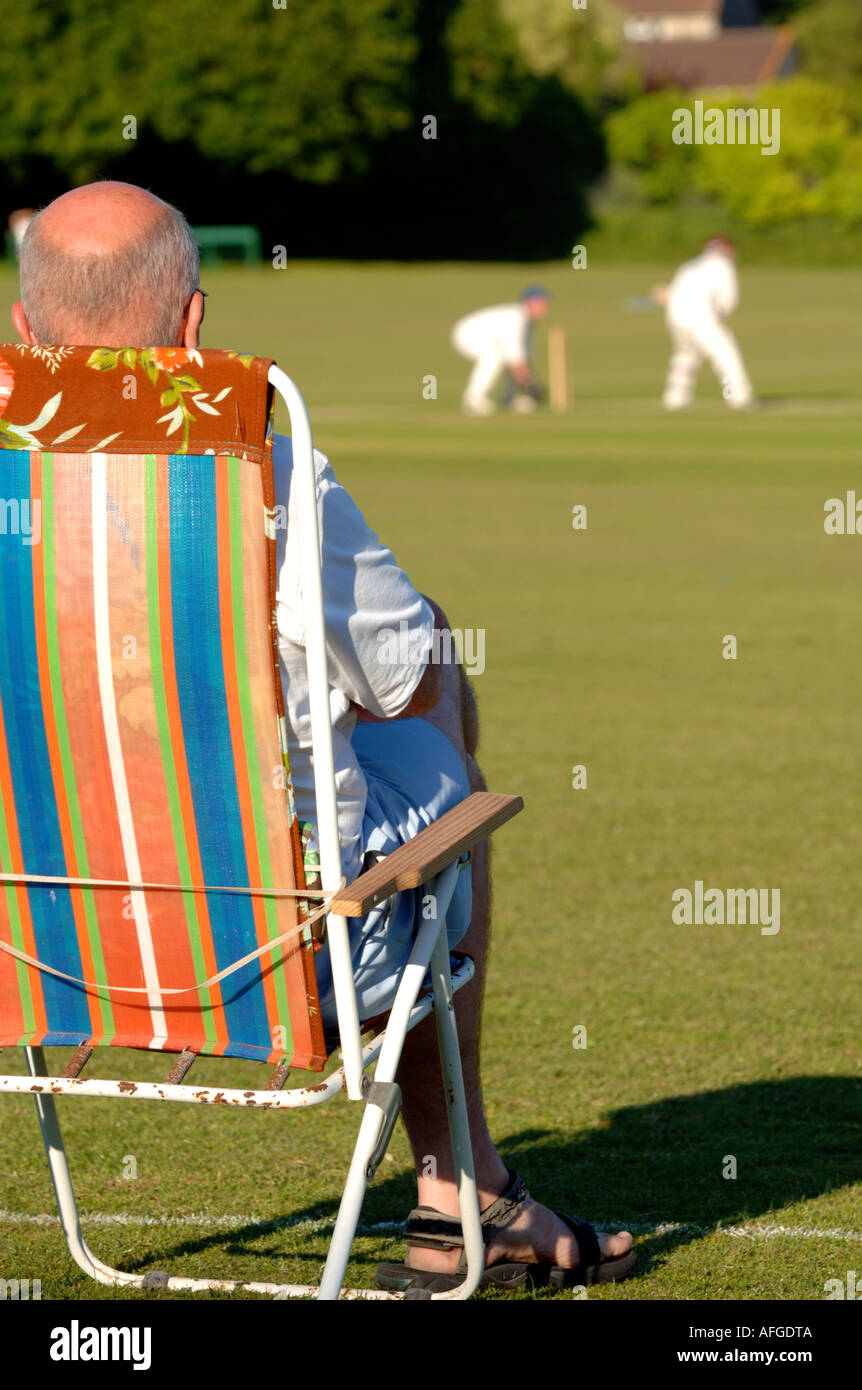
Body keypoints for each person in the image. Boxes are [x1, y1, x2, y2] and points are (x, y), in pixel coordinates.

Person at [11, 183, 634, 1292]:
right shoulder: (264, 476)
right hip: (279, 953)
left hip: (38, 950)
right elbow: (404, 686)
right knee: (437, 716)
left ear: (22, 333)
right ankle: (457, 1188)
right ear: (193, 326)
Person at [655, 237, 755, 411]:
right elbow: (729, 301)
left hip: (675, 314)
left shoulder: (689, 266)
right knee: (725, 354)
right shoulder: (724, 266)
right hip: (701, 314)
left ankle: (675, 398)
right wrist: (718, 315)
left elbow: (669, 295)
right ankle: (738, 396)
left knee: (686, 353)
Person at [451, 288, 551, 416]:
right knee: (493, 357)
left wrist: (527, 374)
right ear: (530, 302)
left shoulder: (526, 320)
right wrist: (528, 380)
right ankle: (473, 401)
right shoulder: (517, 317)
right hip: (467, 334)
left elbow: (522, 354)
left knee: (501, 357)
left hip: (482, 337)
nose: (545, 309)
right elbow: (515, 351)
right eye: (542, 304)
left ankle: (510, 397)